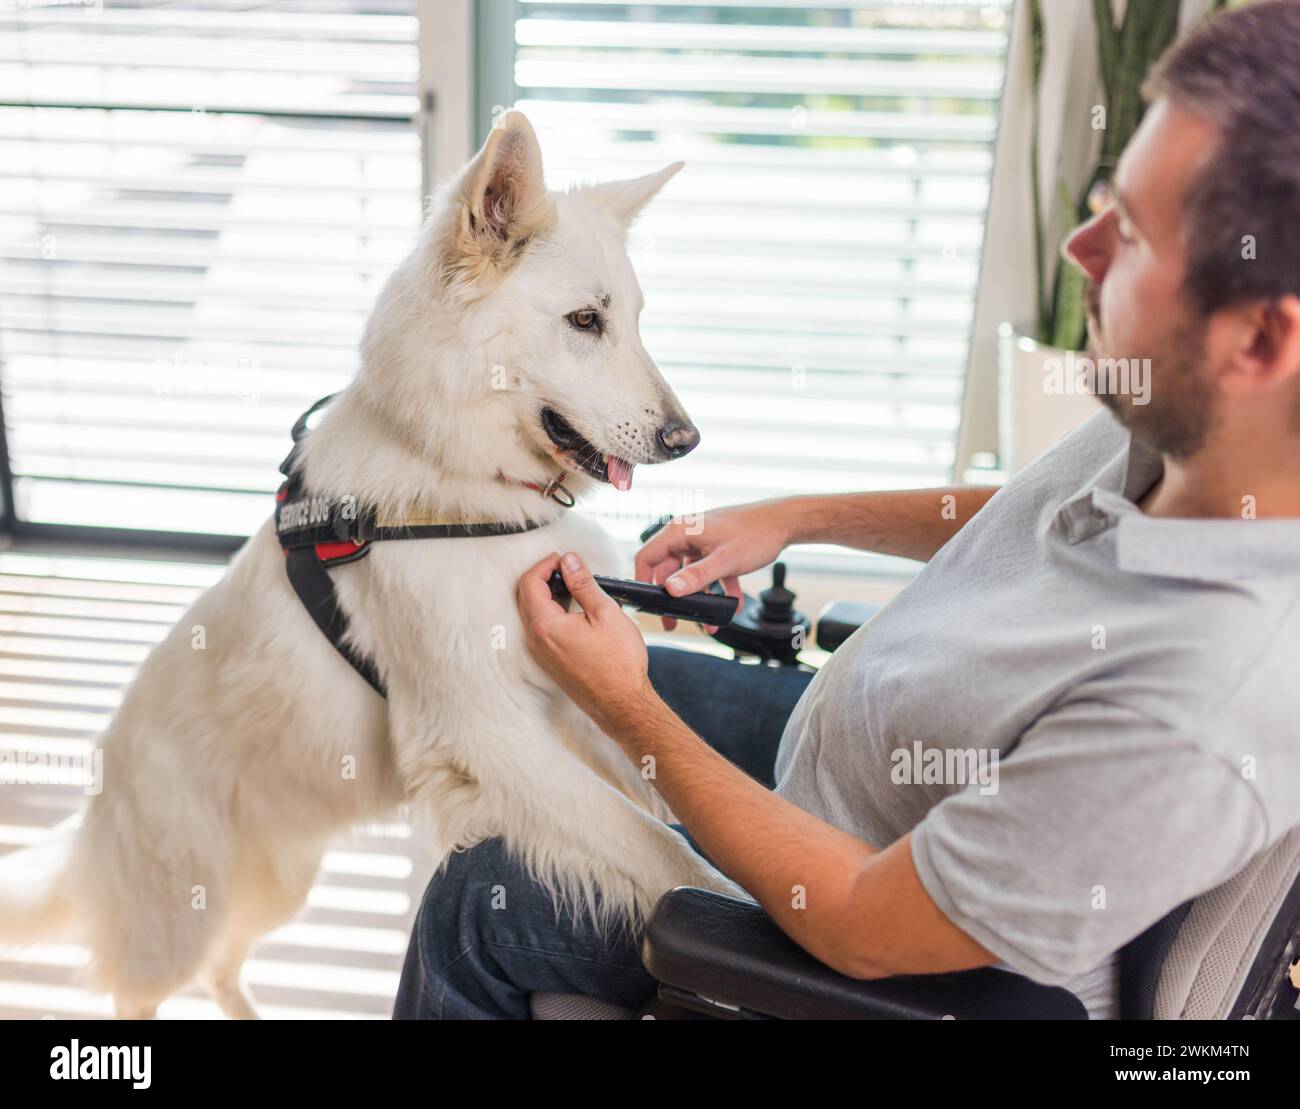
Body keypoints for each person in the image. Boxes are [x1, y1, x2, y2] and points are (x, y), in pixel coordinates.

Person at [393, 0, 1300, 1019]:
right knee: (532, 705)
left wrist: (629, 705)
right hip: (845, 754)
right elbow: (1039, 512)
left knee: (479, 895)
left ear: (1260, 342)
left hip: (842, 919)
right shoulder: (1200, 423)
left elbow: (864, 920)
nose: (1079, 248)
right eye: (1101, 200)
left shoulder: (1203, 707)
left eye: (1127, 236)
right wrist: (799, 514)